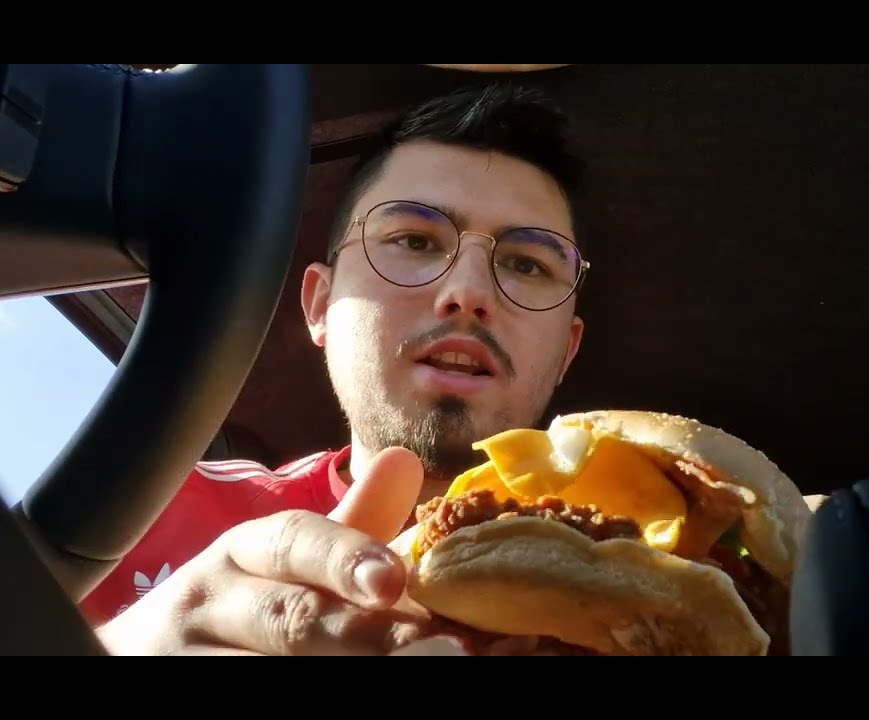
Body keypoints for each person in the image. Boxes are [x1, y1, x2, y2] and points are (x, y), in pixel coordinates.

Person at [81, 82, 590, 656]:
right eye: (415, 240)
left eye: (526, 262)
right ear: (321, 306)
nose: (469, 292)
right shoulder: (134, 518)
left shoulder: (672, 565)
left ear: (566, 352)